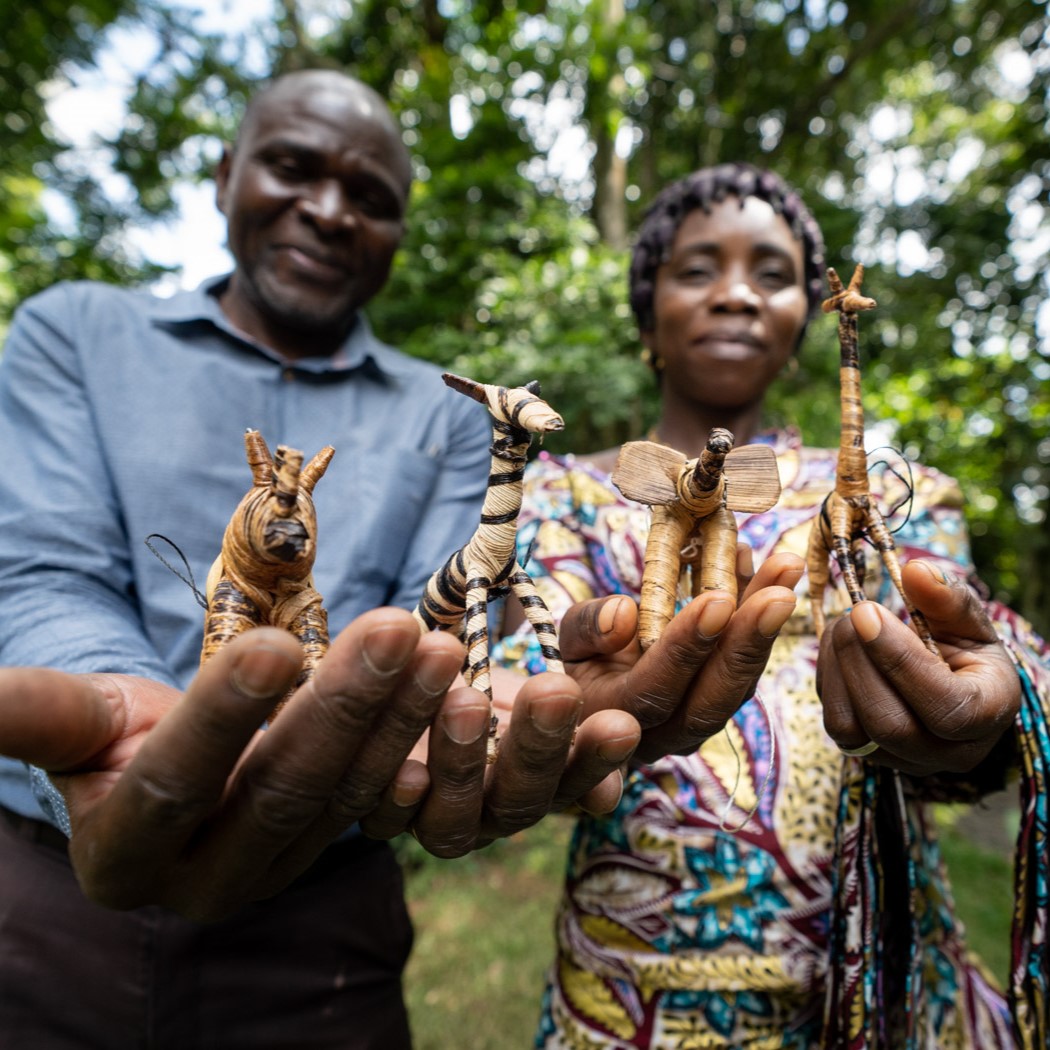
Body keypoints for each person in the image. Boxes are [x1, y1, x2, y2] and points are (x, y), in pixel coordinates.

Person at [0, 75, 802, 1047]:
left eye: (371, 197)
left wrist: (494, 700)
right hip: (42, 911)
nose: (330, 211)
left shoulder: (446, 417)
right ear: (224, 176)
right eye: (293, 169)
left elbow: (439, 641)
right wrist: (122, 736)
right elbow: (41, 568)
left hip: (325, 929)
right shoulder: (73, 333)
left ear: (398, 230)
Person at [495, 163, 1050, 1048]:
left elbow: (991, 655)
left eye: (773, 273)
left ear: (804, 321)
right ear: (649, 319)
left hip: (881, 985)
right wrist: (552, 730)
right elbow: (523, 694)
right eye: (696, 269)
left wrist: (985, 715)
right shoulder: (560, 494)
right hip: (637, 988)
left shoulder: (891, 489)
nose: (737, 295)